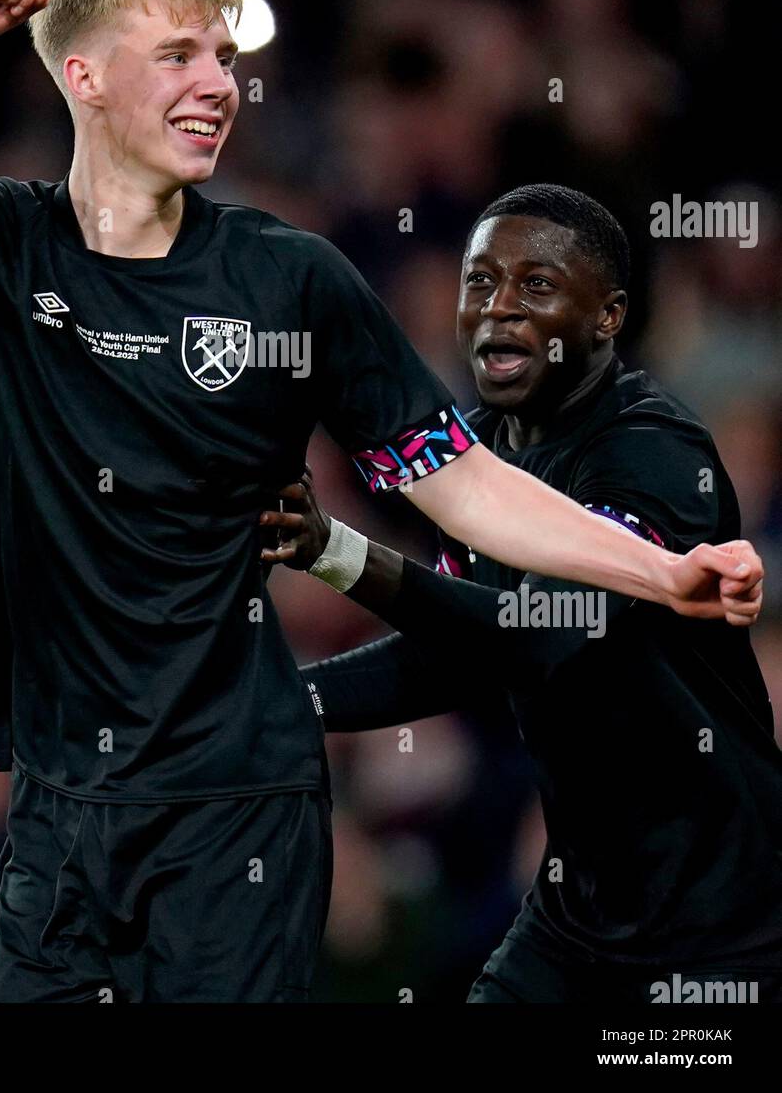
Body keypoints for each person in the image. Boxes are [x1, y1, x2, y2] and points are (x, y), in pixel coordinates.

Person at [0, 0, 761, 1003]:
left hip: (236, 810)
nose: (217, 85)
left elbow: (461, 483)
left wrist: (663, 572)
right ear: (84, 76)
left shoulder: (293, 279)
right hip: (56, 808)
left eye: (225, 59)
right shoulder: (1, 246)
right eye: (179, 54)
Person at [261, 185, 782, 1003]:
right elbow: (457, 659)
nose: (498, 309)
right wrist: (276, 700)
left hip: (727, 932)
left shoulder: (654, 453)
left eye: (536, 286)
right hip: (577, 920)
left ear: (607, 317)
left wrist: (342, 555)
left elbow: (538, 635)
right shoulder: (481, 461)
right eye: (480, 282)